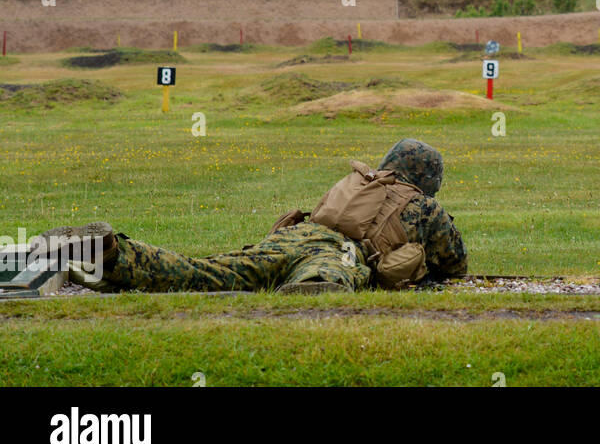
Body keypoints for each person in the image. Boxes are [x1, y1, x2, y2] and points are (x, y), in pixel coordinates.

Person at [31, 138, 466, 295]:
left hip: (292, 237)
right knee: (331, 279)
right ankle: (311, 292)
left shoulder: (360, 181)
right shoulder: (425, 206)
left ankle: (116, 252)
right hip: (340, 251)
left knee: (211, 272)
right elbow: (455, 266)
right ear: (428, 178)